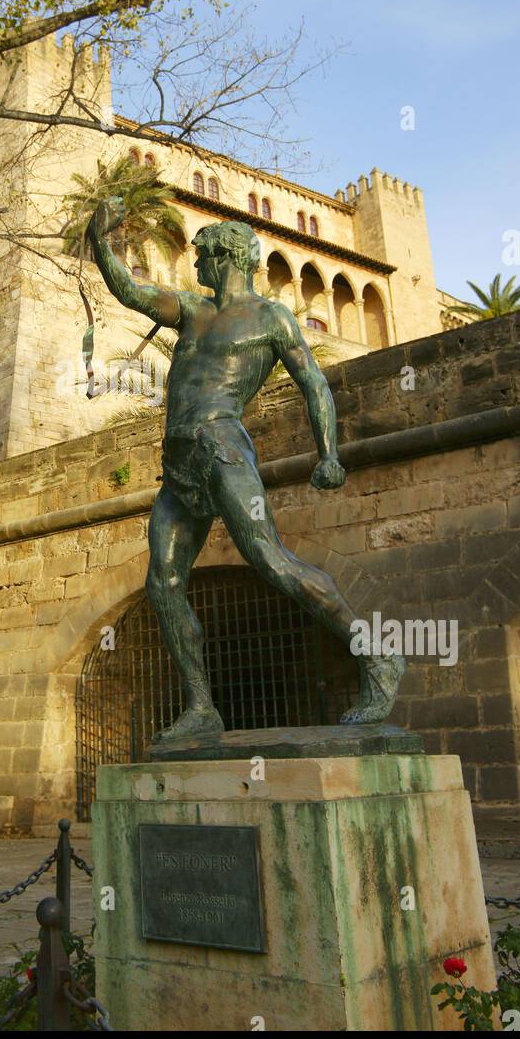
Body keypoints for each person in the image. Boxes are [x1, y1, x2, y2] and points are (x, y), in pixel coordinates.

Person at [87, 195, 403, 743]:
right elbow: (131, 291)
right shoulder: (193, 310)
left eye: (203, 257)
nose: (197, 266)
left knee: (272, 561)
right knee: (163, 583)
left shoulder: (272, 318)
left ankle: (376, 656)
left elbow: (314, 384)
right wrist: (100, 239)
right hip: (179, 464)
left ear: (226, 257)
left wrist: (329, 453)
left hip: (223, 448)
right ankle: (202, 707)